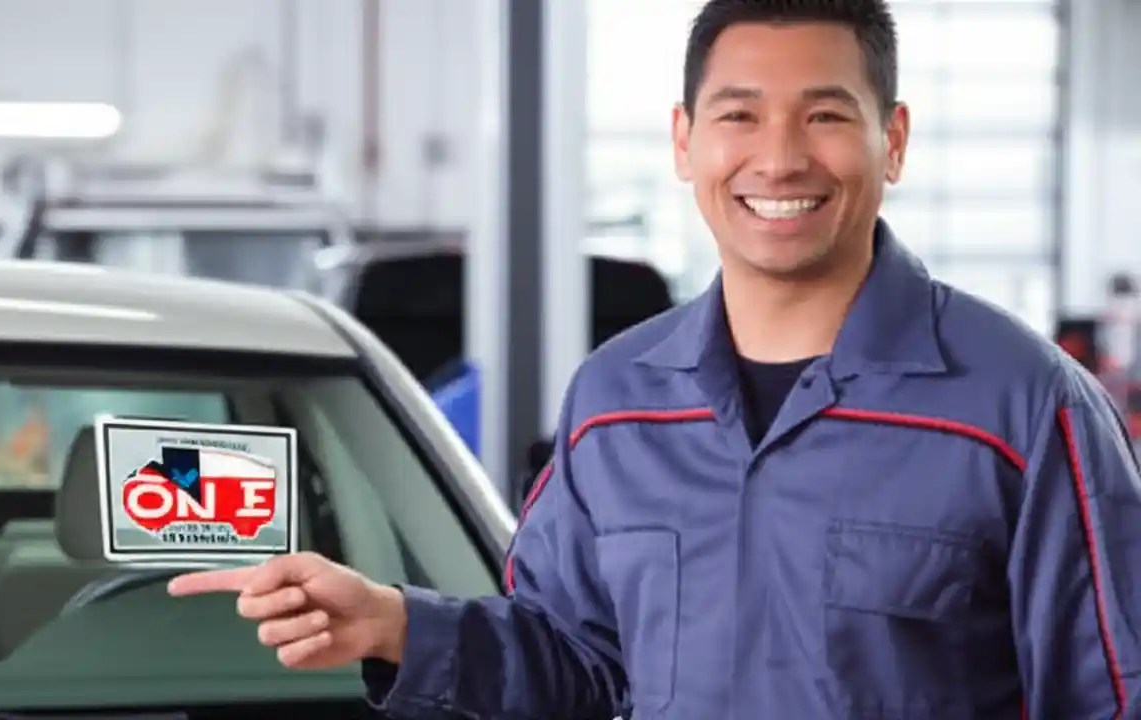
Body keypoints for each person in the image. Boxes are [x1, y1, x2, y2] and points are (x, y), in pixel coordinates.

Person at [167, 1, 1141, 717]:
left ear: (890, 140)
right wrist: (391, 623)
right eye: (737, 115)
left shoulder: (1020, 405)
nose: (778, 158)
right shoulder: (617, 399)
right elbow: (573, 664)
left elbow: (1112, 691)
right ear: (684, 143)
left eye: (824, 115)